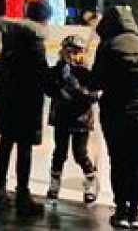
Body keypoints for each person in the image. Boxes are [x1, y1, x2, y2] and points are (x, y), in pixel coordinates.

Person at [90, 5, 138, 229]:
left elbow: (96, 82)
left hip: (119, 114)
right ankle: (135, 213)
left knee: (119, 162)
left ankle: (121, 211)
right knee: (136, 162)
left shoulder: (110, 45)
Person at [0, 0, 52, 216]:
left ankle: (0, 189)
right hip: (26, 100)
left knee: (6, 141)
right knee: (24, 146)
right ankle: (22, 195)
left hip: (6, 96)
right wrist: (58, 87)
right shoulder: (34, 40)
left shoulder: (11, 35)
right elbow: (40, 73)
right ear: (43, 19)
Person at [46, 35, 100, 204]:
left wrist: (76, 89)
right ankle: (54, 182)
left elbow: (94, 96)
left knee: (80, 153)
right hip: (62, 117)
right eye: (69, 52)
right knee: (59, 152)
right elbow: (48, 89)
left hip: (81, 119)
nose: (72, 56)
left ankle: (91, 181)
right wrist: (57, 86)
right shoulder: (58, 70)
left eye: (76, 52)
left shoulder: (87, 73)